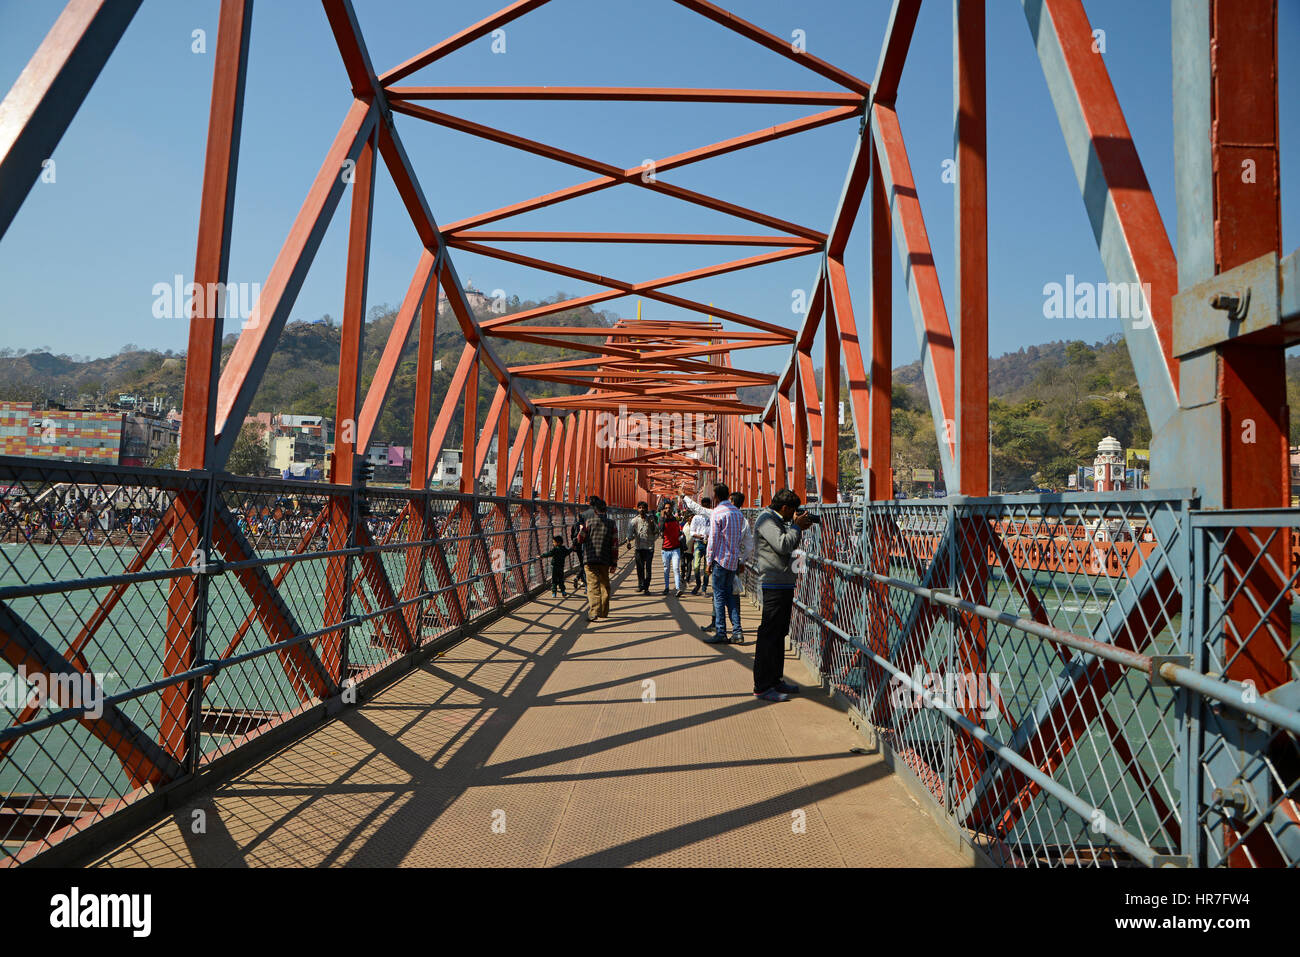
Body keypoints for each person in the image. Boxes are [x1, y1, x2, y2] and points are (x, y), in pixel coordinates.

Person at [751, 488, 815, 701]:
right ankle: (762, 686)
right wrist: (797, 527)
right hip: (774, 584)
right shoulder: (766, 520)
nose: (793, 514)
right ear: (785, 508)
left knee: (779, 634)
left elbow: (787, 543)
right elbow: (783, 544)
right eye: (792, 511)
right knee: (769, 636)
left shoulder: (777, 520)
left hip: (783, 584)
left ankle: (775, 680)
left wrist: (795, 526)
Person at [696, 482, 746, 645]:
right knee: (730, 596)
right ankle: (737, 632)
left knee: (718, 597)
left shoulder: (717, 512)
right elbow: (740, 538)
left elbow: (713, 540)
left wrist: (709, 562)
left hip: (720, 560)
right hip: (732, 561)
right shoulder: (738, 513)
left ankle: (721, 632)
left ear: (716, 496)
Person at [580, 496, 619, 621]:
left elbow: (580, 539)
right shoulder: (612, 524)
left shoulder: (589, 522)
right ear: (606, 510)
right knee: (604, 585)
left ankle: (593, 612)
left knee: (592, 586)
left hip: (590, 559)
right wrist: (614, 562)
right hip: (605, 559)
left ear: (595, 511)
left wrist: (581, 532)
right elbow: (614, 545)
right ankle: (603, 612)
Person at [626, 501, 658, 594]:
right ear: (637, 509)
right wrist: (628, 541)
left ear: (646, 509)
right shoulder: (634, 520)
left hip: (649, 548)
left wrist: (652, 524)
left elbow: (656, 531)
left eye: (643, 508)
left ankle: (646, 587)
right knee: (640, 568)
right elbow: (630, 532)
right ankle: (640, 585)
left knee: (648, 568)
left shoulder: (651, 519)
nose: (642, 509)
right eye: (640, 507)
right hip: (638, 548)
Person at [685, 496, 711, 594]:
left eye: (707, 506)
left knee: (707, 567)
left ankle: (704, 587)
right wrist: (697, 535)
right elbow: (692, 531)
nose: (705, 508)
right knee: (696, 566)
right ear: (701, 505)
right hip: (698, 543)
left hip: (709, 544)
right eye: (704, 506)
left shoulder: (712, 516)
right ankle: (698, 583)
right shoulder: (696, 517)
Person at [659, 504, 684, 596]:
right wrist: (662, 517)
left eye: (669, 508)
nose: (668, 509)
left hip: (675, 549)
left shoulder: (675, 520)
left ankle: (678, 588)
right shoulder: (662, 520)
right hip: (665, 549)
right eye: (666, 508)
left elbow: (678, 531)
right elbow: (660, 529)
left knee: (676, 568)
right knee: (666, 569)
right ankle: (666, 588)